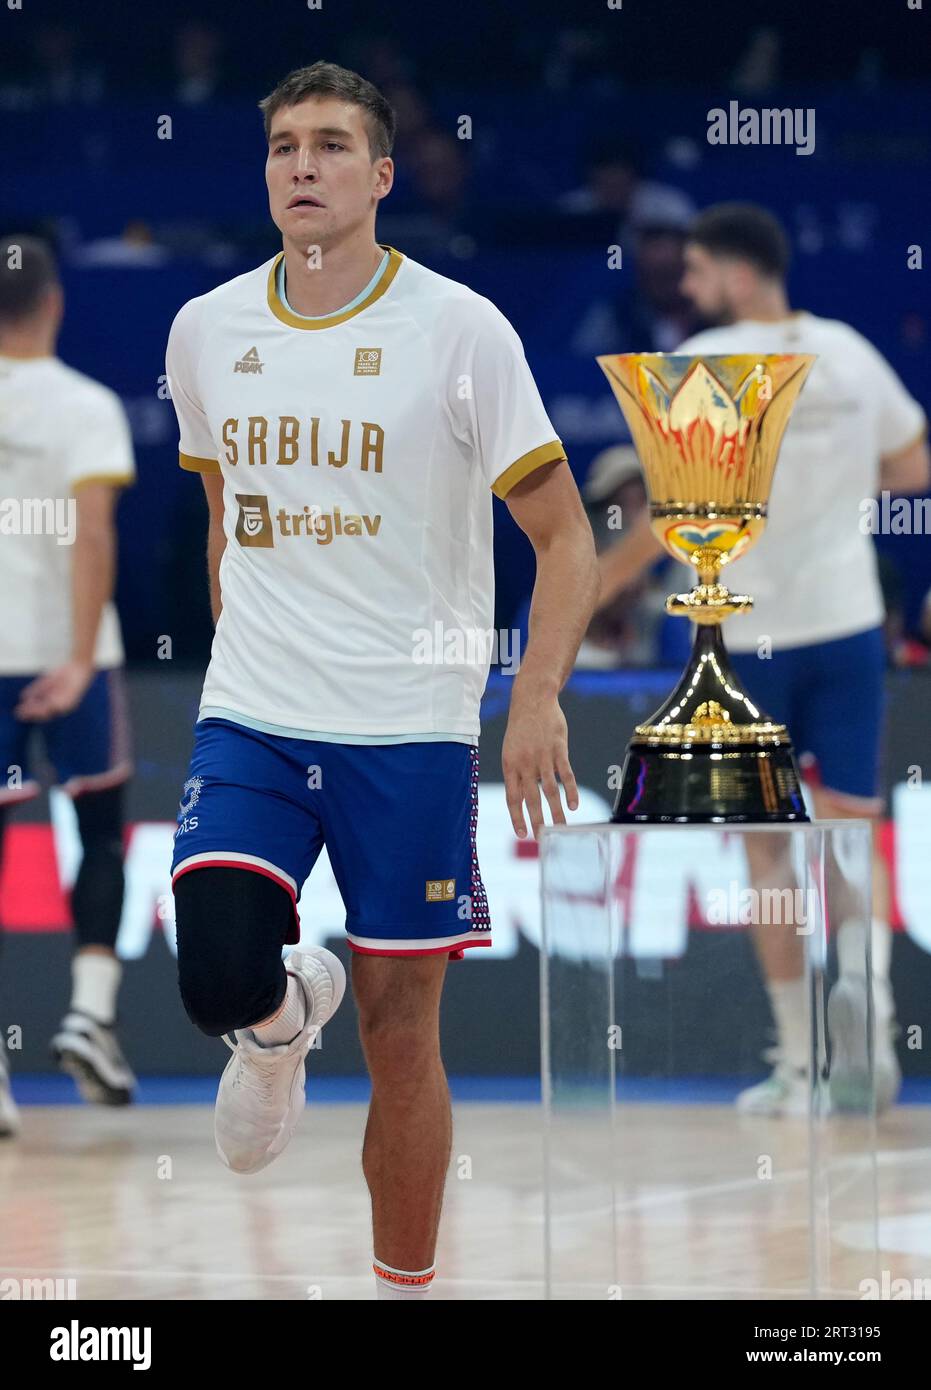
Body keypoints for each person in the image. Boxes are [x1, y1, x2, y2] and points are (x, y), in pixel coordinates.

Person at [165, 61, 598, 1299]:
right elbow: (225, 518)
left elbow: (566, 538)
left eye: (331, 146)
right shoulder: (206, 329)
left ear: (382, 175)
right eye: (283, 146)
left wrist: (534, 695)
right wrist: (239, 650)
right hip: (253, 713)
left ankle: (401, 1289)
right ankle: (273, 1028)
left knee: (400, 1034)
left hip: (407, 726)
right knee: (215, 974)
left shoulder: (460, 330)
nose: (302, 166)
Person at [596, 203, 929, 1116]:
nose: (687, 286)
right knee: (850, 828)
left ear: (737, 275)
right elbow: (912, 469)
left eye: (697, 271)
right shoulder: (849, 353)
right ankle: (871, 1010)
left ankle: (797, 1060)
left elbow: (671, 513)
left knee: (766, 851)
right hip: (848, 623)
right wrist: (836, 478)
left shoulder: (706, 366)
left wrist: (593, 586)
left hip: (743, 637)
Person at [0, 235, 137, 1135]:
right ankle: (89, 1013)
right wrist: (81, 657)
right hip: (69, 651)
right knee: (98, 835)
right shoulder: (85, 405)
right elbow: (92, 533)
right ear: (54, 303)